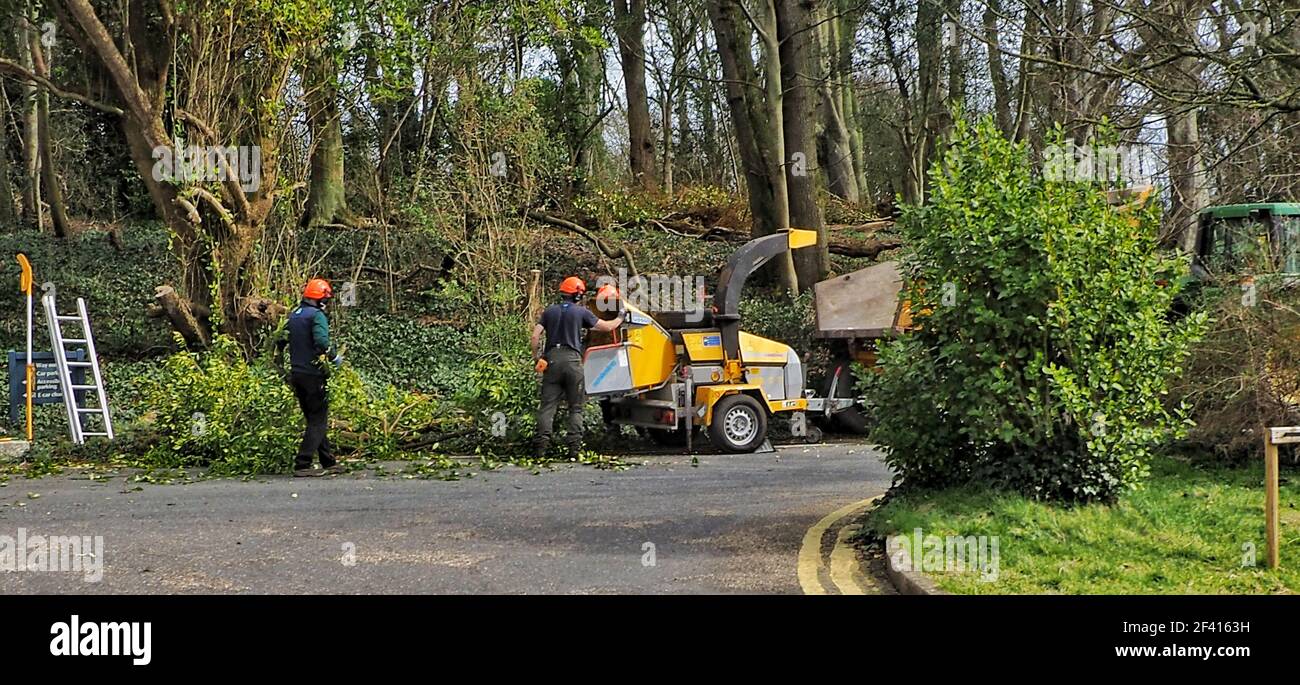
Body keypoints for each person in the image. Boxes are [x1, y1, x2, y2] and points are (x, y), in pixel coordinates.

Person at [531, 276, 622, 458]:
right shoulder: (581, 313)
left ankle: (540, 451)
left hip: (552, 362)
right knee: (575, 408)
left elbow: (535, 336)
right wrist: (621, 317)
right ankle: (574, 451)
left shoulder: (549, 312)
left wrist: (537, 358)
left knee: (548, 407)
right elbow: (606, 327)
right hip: (573, 362)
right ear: (578, 295)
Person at [277, 278, 344, 477]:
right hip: (313, 374)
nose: (327, 303)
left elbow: (280, 341)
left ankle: (328, 461)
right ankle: (303, 463)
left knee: (314, 419)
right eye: (326, 299)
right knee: (318, 420)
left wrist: (281, 367)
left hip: (297, 374)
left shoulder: (293, 316)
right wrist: (334, 357)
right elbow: (322, 341)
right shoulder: (316, 316)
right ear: (319, 299)